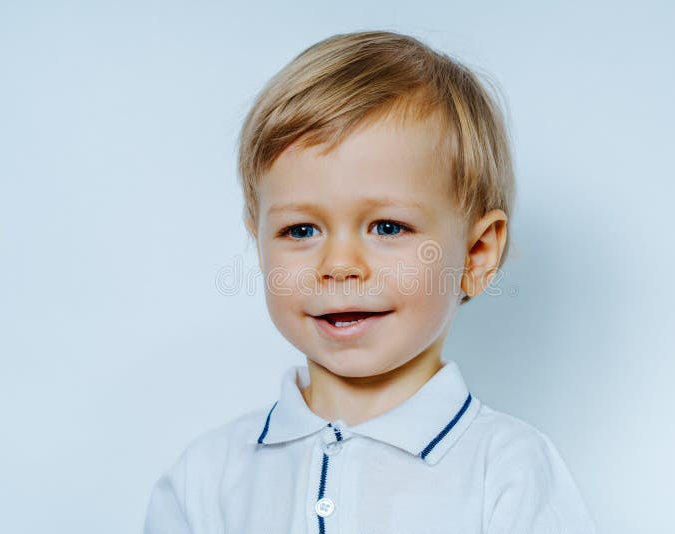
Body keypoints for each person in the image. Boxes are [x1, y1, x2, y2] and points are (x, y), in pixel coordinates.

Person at [143, 29, 598, 534]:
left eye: (387, 227)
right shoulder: (205, 480)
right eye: (301, 230)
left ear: (476, 253)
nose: (339, 265)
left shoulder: (510, 472)